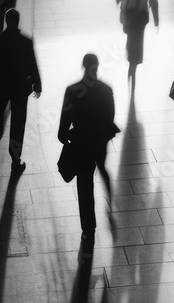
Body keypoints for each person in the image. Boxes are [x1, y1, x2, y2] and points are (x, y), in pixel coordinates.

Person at [58, 53, 120, 250]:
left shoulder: (73, 90)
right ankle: (110, 198)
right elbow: (110, 116)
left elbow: (66, 116)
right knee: (102, 167)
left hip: (82, 143)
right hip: (99, 141)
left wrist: (63, 135)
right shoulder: (106, 90)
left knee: (84, 184)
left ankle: (88, 228)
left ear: (83, 66)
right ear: (96, 67)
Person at [0, 9, 41, 174]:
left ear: (6, 21)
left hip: (3, 86)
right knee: (18, 123)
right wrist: (37, 84)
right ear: (18, 21)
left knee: (0, 109)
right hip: (20, 88)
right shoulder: (26, 41)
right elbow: (33, 64)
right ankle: (15, 159)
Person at [115, 0, 159, 84]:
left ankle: (132, 61)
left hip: (129, 16)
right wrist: (156, 20)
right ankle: (134, 60)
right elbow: (154, 1)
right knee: (137, 39)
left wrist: (121, 2)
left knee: (133, 38)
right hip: (139, 17)